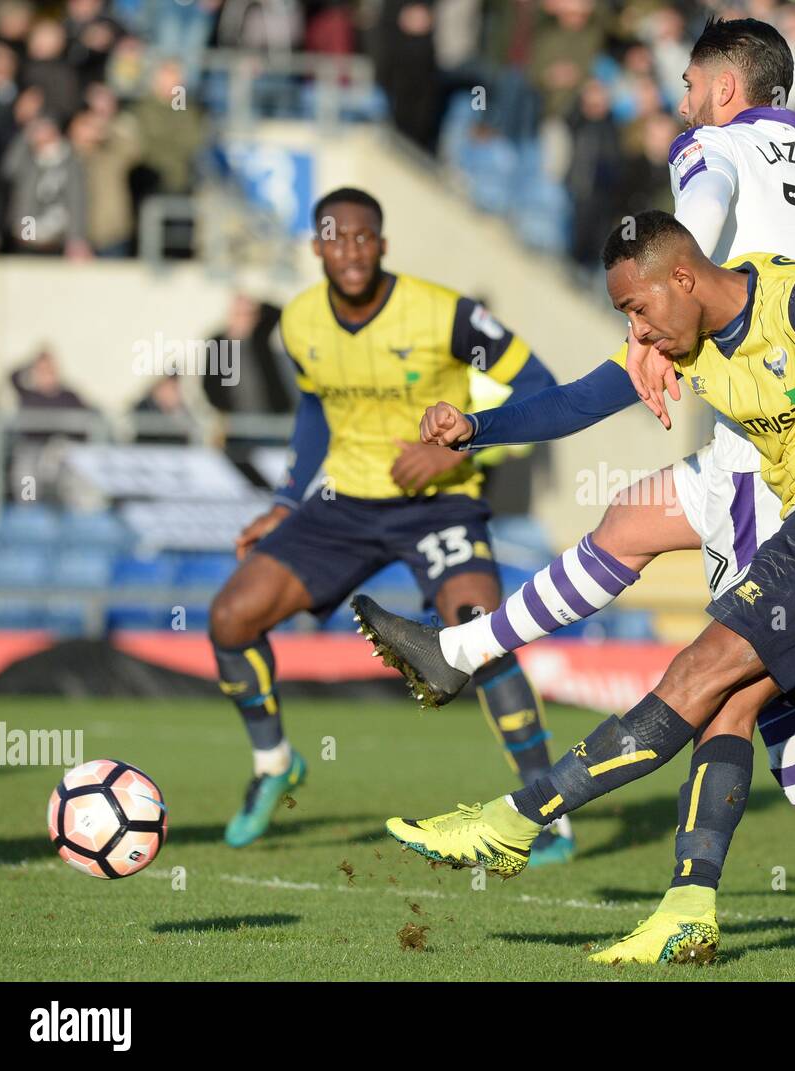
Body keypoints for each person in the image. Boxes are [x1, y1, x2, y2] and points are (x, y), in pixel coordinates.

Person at [358, 14, 795, 949]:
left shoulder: (708, 157)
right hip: (777, 416)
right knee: (637, 534)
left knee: (732, 692)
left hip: (789, 455)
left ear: (727, 90)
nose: (681, 98)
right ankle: (462, 657)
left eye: (692, 83)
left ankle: (686, 894)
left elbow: (687, 242)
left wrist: (650, 322)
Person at [355, 214, 795, 964]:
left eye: (637, 308)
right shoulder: (682, 342)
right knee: (735, 701)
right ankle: (732, 904)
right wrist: (475, 426)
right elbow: (577, 402)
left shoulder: (788, 297)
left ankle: (515, 819)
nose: (637, 330)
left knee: (697, 674)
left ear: (683, 277)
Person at [207, 188, 569, 861]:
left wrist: (453, 447)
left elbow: (537, 383)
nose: (350, 250)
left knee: (479, 634)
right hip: (344, 503)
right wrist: (286, 502)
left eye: (363, 236)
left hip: (440, 500)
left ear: (383, 243)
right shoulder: (299, 321)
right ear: (316, 247)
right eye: (335, 238)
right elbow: (314, 410)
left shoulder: (446, 313)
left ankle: (544, 812)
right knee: (230, 615)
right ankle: (273, 765)